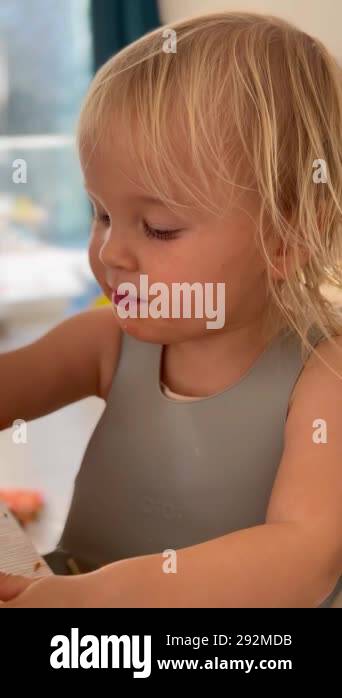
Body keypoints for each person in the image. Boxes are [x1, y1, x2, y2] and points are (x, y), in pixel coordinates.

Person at [1, 10, 342, 607]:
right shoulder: (108, 339)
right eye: (101, 213)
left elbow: (303, 556)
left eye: (157, 228)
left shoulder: (324, 375)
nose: (111, 251)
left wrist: (98, 598)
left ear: (286, 239)